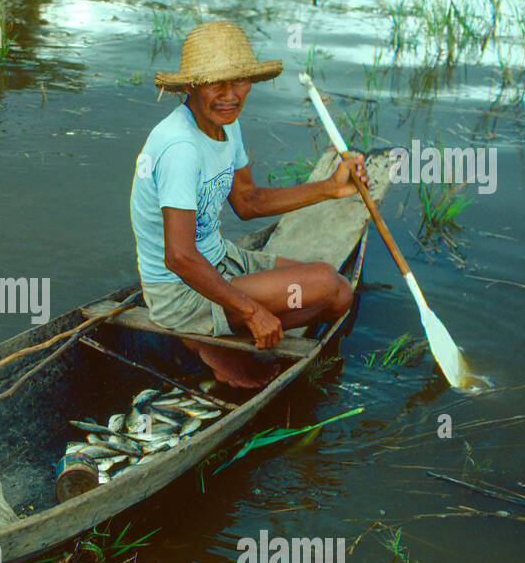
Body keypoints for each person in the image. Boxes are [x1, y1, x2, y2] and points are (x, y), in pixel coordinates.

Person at [130, 21, 368, 389]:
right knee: (325, 283)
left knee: (339, 293)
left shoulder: (226, 123)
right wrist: (252, 310)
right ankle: (199, 336)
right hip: (179, 290)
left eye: (239, 81)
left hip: (220, 260)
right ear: (192, 85)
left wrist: (331, 188)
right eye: (215, 83)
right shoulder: (180, 148)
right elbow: (178, 256)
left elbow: (247, 201)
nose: (230, 95)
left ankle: (221, 335)